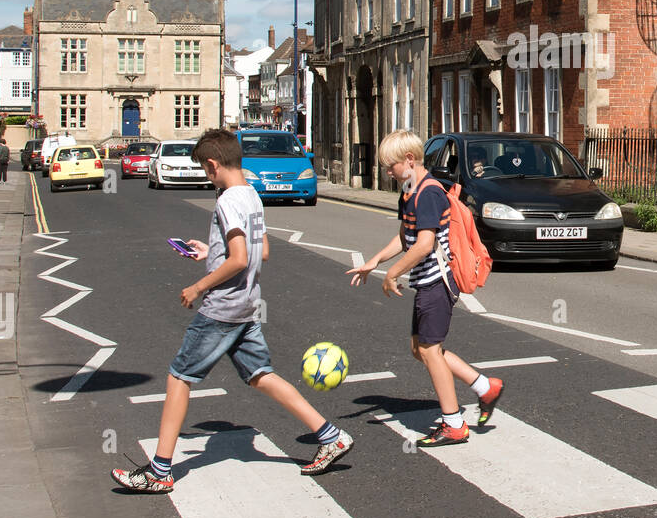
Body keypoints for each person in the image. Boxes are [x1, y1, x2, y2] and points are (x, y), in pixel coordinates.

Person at [110, 128, 351, 493]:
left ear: (213, 164)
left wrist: (198, 286)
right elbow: (261, 251)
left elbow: (240, 258)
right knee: (260, 374)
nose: (208, 179)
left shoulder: (226, 201)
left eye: (206, 172)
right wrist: (212, 253)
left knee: (179, 377)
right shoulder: (251, 194)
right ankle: (330, 436)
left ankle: (160, 471)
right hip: (248, 303)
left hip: (223, 307)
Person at [350, 129, 502, 446]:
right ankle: (485, 387)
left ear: (409, 160)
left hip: (438, 282)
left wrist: (393, 274)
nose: (387, 172)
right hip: (426, 283)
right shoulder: (409, 191)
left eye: (390, 166)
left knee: (430, 350)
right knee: (420, 349)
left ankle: (453, 424)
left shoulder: (428, 193)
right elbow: (406, 235)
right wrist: (375, 261)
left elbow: (424, 243)